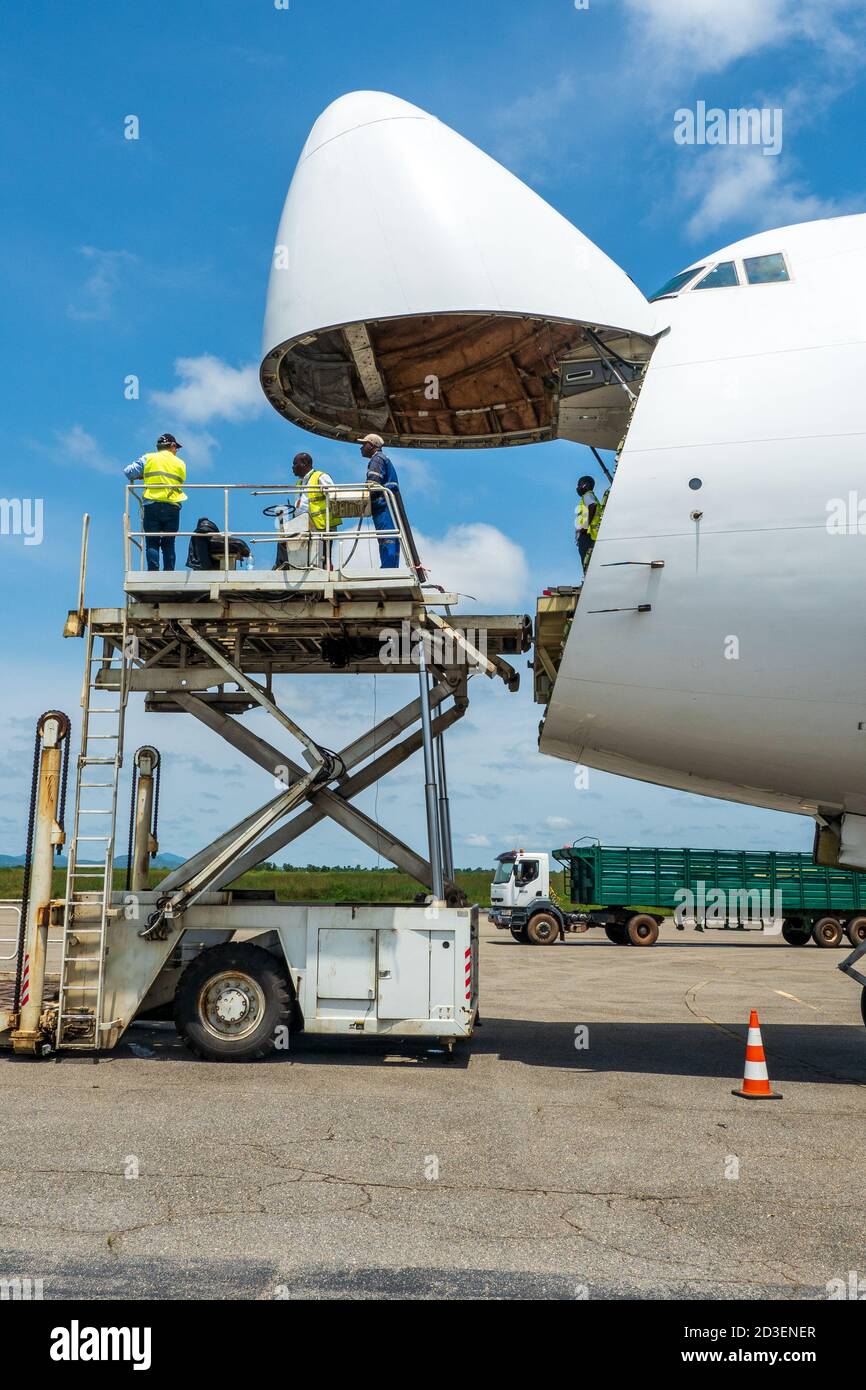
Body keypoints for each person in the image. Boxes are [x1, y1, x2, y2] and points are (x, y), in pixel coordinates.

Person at [124, 433, 188, 571]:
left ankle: (153, 573)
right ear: (171, 446)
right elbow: (180, 480)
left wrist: (143, 475)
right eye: (176, 447)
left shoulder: (148, 458)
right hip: (172, 505)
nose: (176, 450)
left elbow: (128, 472)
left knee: (152, 542)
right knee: (169, 543)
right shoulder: (180, 463)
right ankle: (169, 573)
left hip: (152, 504)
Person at [291, 451, 341, 568]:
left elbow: (334, 496)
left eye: (295, 464)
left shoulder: (320, 477)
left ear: (304, 463)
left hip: (322, 525)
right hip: (304, 526)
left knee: (322, 557)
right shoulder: (299, 483)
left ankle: (327, 568)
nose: (292, 467)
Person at [359, 433, 400, 568]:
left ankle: (388, 567)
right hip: (386, 506)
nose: (361, 448)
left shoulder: (377, 460)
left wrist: (360, 499)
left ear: (371, 445)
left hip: (383, 506)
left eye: (363, 444)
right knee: (389, 537)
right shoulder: (382, 458)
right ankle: (390, 566)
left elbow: (373, 485)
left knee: (387, 538)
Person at [575, 474, 600, 573]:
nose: (578, 487)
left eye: (579, 484)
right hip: (589, 534)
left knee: (587, 562)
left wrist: (585, 526)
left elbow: (592, 506)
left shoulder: (587, 495)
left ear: (586, 485)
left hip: (588, 535)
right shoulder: (588, 497)